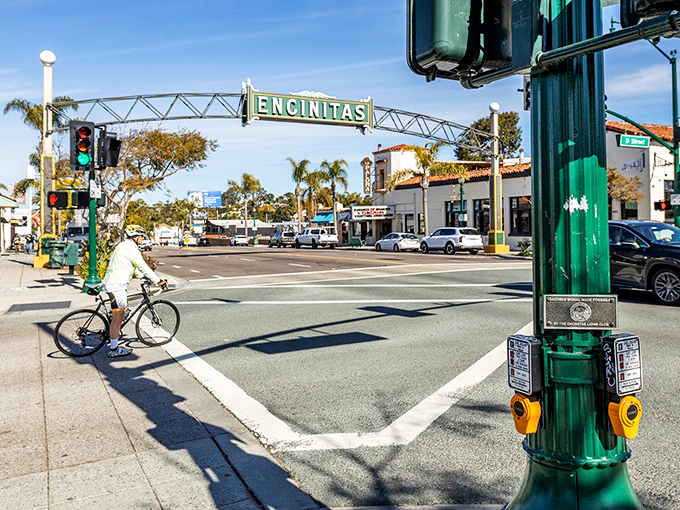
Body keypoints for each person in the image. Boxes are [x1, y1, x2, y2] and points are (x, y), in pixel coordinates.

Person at [101, 225, 168, 358]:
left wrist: (143, 277)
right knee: (117, 319)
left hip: (113, 284)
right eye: (141, 236)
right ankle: (114, 349)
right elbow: (143, 266)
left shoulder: (122, 246)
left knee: (123, 308)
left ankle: (108, 328)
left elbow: (135, 267)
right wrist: (157, 281)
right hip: (116, 286)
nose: (143, 238)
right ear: (135, 237)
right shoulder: (131, 248)